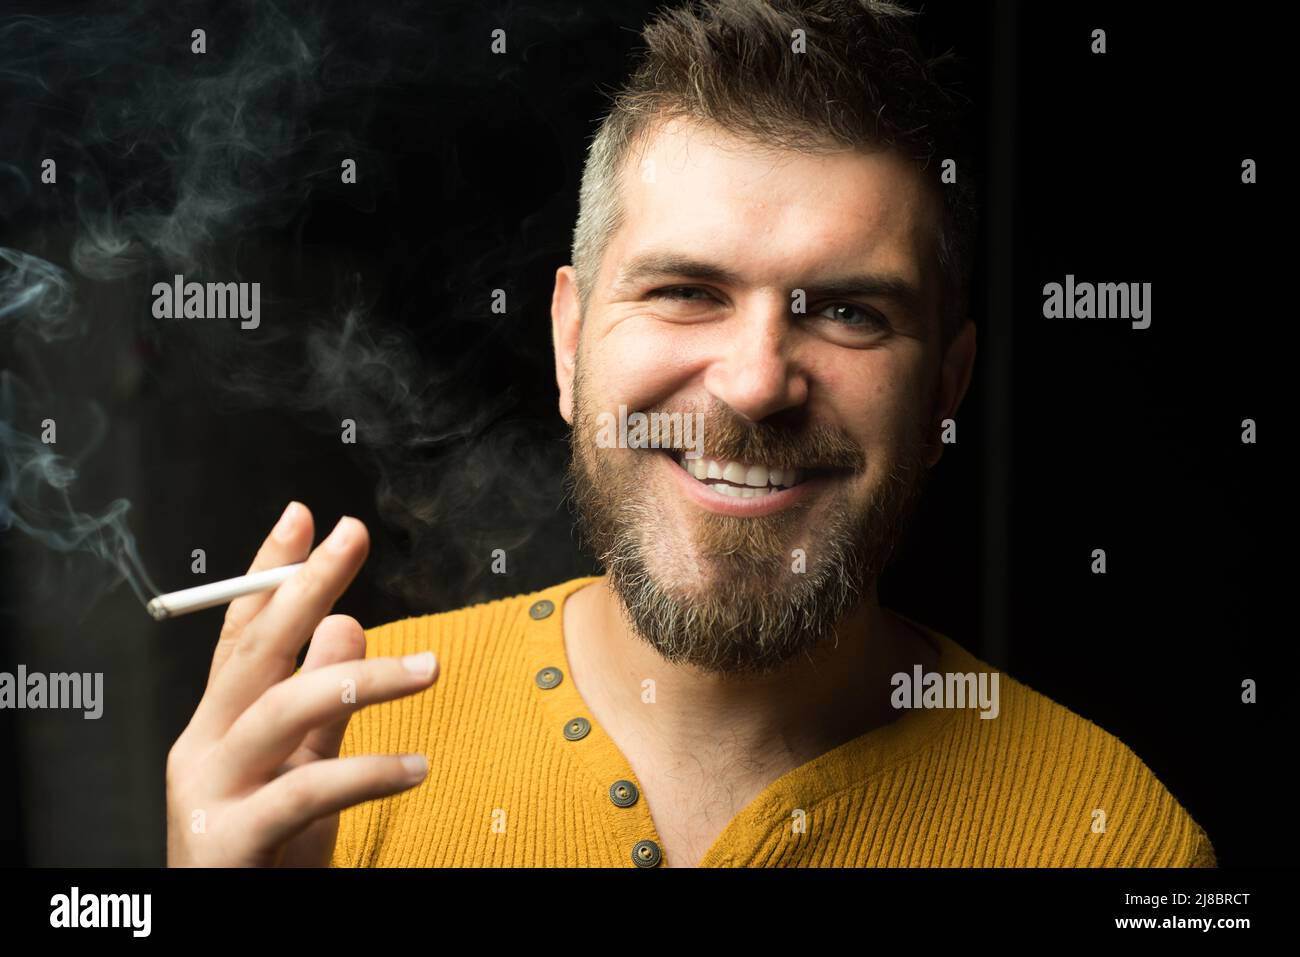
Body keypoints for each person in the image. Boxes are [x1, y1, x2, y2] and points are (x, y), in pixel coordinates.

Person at [166, 0, 1215, 868]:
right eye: (683, 291)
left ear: (945, 386)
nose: (758, 384)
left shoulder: (1114, 840)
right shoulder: (329, 752)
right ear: (572, 343)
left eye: (846, 311)